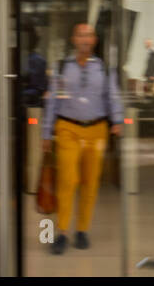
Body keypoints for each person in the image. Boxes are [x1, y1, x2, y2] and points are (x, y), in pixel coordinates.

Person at [41, 22, 124, 254]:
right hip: (67, 128)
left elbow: (113, 96)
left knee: (90, 181)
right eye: (80, 35)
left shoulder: (105, 69)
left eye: (89, 35)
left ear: (94, 40)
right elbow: (52, 101)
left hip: (96, 130)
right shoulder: (61, 67)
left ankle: (82, 231)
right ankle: (62, 232)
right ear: (74, 39)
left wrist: (117, 120)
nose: (85, 39)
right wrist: (46, 132)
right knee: (68, 179)